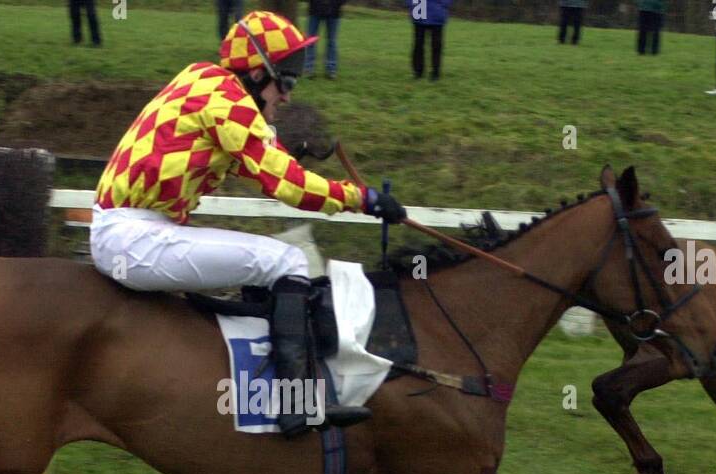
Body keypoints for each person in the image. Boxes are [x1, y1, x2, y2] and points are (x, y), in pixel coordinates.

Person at [89, 10, 406, 434]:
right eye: (286, 82)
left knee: (273, 261)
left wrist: (285, 155)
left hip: (137, 229)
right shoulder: (226, 100)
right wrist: (362, 199)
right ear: (257, 74)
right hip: (134, 236)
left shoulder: (204, 81)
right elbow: (288, 186)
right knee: (289, 261)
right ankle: (295, 404)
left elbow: (260, 166)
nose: (288, 97)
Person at [410, 0, 452, 80]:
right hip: (419, 11)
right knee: (418, 45)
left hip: (437, 14)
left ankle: (435, 72)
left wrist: (442, 4)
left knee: (436, 46)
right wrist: (413, 4)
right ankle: (418, 72)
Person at [305, 0, 345, 79]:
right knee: (310, 41)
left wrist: (336, 4)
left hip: (334, 12)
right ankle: (308, 69)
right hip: (315, 10)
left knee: (332, 41)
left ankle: (331, 70)